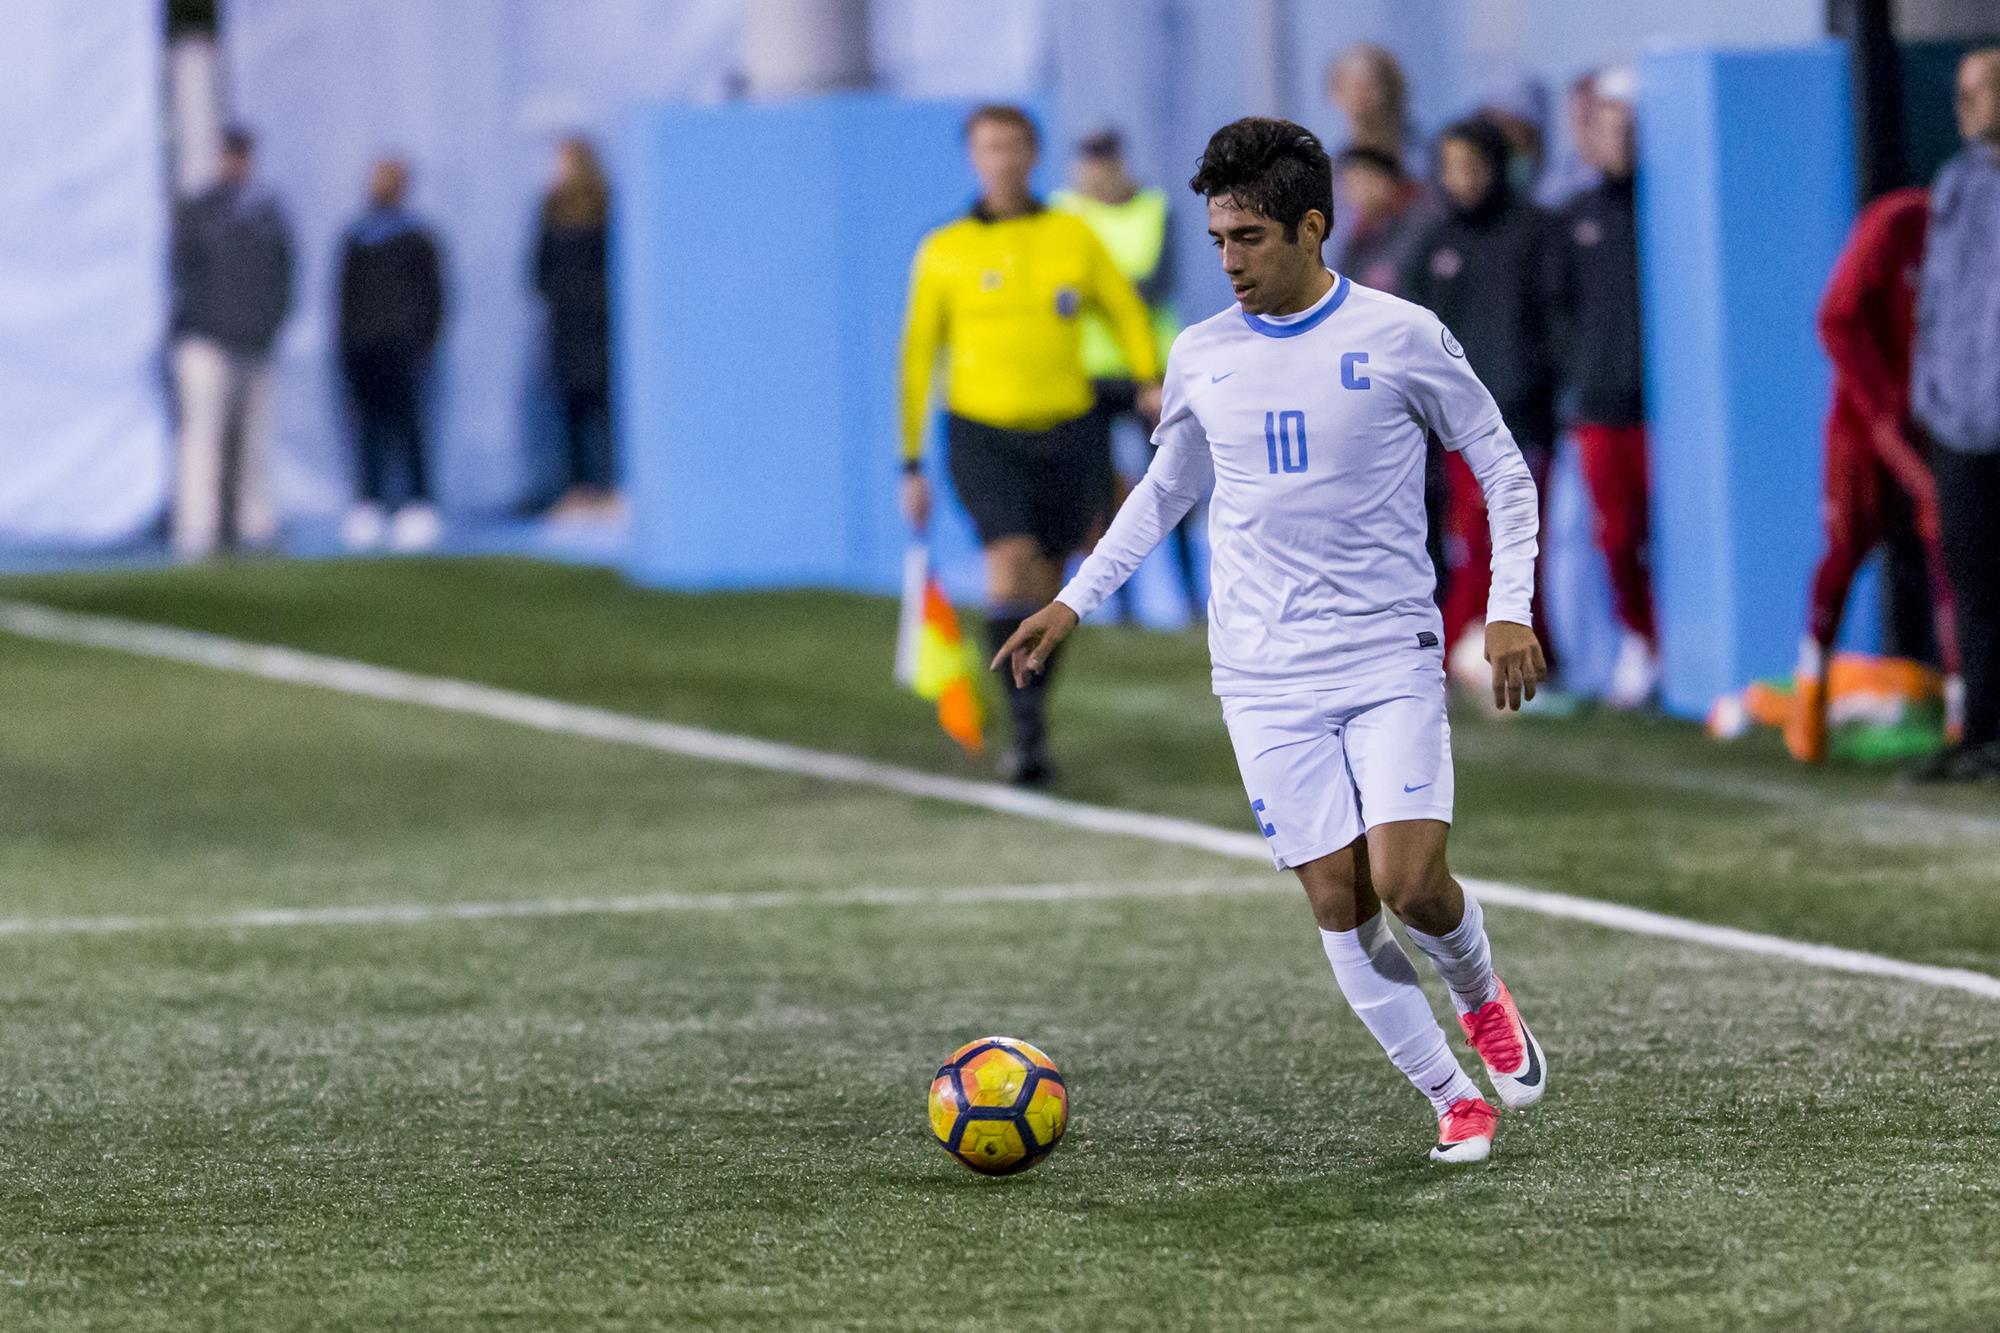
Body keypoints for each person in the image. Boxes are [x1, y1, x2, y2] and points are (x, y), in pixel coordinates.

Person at [994, 118, 1549, 1165]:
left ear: (1310, 227)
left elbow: (1502, 467)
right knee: (1337, 902)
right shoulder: (1203, 353)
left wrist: (1510, 606)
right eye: (1215, 239)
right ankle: (1449, 1097)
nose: (1228, 261)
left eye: (1247, 237)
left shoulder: (1399, 335)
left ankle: (1480, 995)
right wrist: (1074, 598)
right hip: (1258, 671)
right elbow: (1166, 490)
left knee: (1410, 882)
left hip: (1385, 651)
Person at [899, 105, 1162, 786]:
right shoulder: (946, 249)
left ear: (1033, 153)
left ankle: (1032, 722)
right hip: (983, 432)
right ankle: (1020, 728)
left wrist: (1147, 377)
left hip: (1068, 431)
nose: (1003, 159)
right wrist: (909, 462)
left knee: (1049, 585)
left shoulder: (1071, 236)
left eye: (1015, 146)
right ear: (973, 158)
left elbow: (1125, 307)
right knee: (1009, 562)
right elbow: (917, 358)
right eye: (990, 147)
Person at [1786, 188, 1959, 764]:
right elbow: (1836, 318)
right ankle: (1811, 682)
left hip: (1939, 423)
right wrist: (1883, 407)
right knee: (1847, 548)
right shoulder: (1897, 222)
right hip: (1863, 425)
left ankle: (1963, 708)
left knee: (1949, 546)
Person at [1400, 117, 1560, 675]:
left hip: (1521, 422)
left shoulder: (1537, 234)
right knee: (1472, 541)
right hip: (1457, 429)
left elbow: (1555, 322)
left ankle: (1511, 652)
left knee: (1516, 539)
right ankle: (1472, 650)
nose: (1461, 179)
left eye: (1470, 167)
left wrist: (1539, 385)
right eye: (1451, 168)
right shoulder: (1435, 244)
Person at [1052, 129, 1197, 623]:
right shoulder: (1064, 213)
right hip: (1088, 371)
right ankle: (1119, 603)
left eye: (1104, 159)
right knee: (1099, 489)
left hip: (1148, 371)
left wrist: (1101, 290)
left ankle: (1191, 596)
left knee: (1171, 480)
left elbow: (1155, 285)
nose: (1096, 171)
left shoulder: (1153, 208)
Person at [1909, 49, 2000, 782]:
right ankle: (1980, 733)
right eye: (1964, 92)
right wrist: (1929, 394)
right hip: (1960, 422)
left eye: (1984, 91)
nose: (1968, 105)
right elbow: (1937, 301)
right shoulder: (1956, 184)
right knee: (1972, 584)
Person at [1554, 72, 1658, 706]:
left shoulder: (1665, 207)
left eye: (1628, 127)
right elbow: (1559, 312)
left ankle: (1673, 644)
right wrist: (1582, 373)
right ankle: (1638, 639)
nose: (1617, 140)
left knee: (1663, 532)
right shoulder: (1575, 220)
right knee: (1614, 536)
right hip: (1601, 406)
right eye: (1607, 126)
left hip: (1660, 408)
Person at [169, 124, 294, 560]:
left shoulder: (267, 214)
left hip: (255, 342)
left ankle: (254, 525)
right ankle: (196, 530)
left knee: (254, 442)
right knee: (201, 439)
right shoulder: (201, 209)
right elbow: (185, 278)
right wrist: (209, 329)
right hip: (208, 342)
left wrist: (269, 326)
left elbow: (284, 276)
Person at [337, 158, 447, 552]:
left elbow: (434, 298)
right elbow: (345, 299)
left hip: (403, 349)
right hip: (364, 349)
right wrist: (348, 346)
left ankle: (418, 504)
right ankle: (369, 503)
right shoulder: (357, 236)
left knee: (410, 428)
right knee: (368, 429)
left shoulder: (418, 238)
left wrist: (423, 344)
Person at [533, 136, 617, 521]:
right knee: (570, 410)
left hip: (598, 325)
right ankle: (576, 489)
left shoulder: (605, 206)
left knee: (602, 410)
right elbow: (538, 269)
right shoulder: (549, 208)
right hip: (565, 327)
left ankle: (608, 488)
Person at [1333, 146, 1421, 296]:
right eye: (1349, 183)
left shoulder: (1418, 231)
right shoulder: (1355, 242)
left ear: (1387, 182)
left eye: (1360, 181)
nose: (1354, 192)